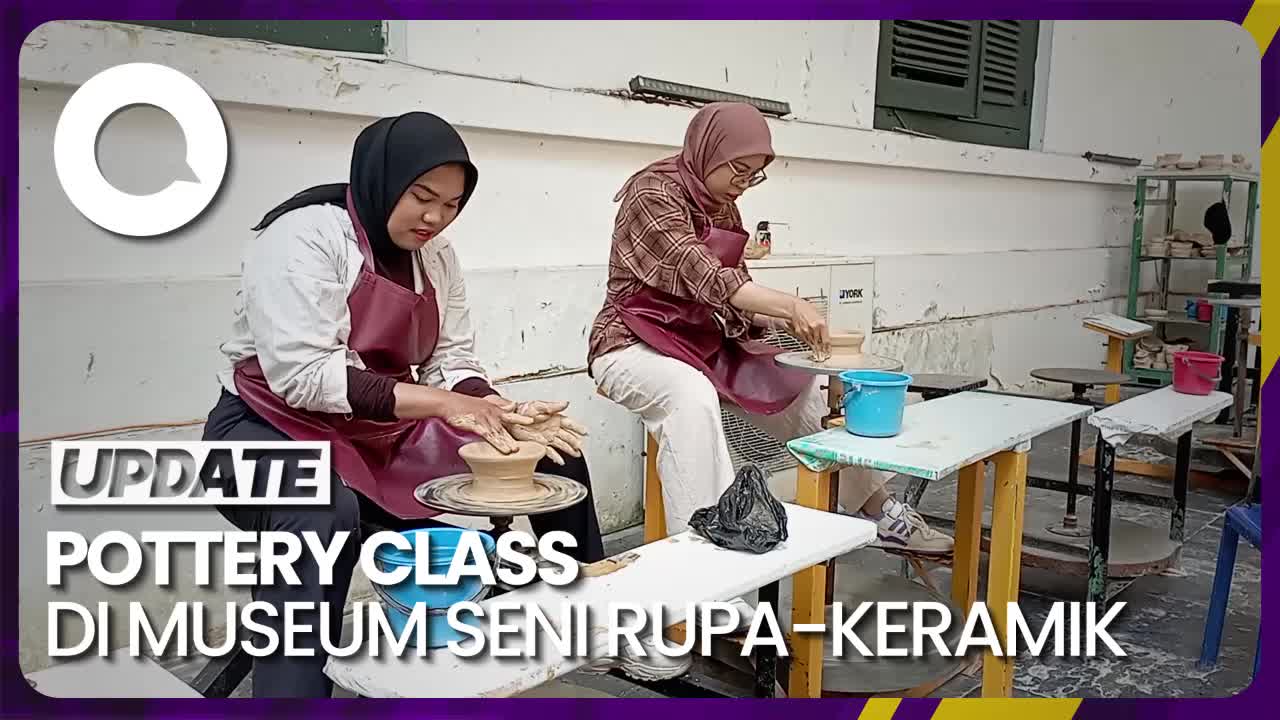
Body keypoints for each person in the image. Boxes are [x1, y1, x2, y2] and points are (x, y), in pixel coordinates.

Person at [202, 112, 607, 697]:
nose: (436, 218)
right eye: (422, 197)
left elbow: (452, 363)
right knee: (322, 514)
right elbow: (304, 378)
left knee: (552, 456)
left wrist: (498, 410)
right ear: (383, 179)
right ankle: (290, 693)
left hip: (378, 432)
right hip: (263, 428)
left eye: (452, 204)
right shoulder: (304, 237)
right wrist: (444, 405)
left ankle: (583, 614)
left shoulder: (436, 258)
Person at [587, 102, 954, 675]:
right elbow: (701, 273)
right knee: (689, 398)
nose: (744, 184)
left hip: (700, 342)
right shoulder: (651, 192)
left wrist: (782, 329)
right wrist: (787, 304)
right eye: (738, 169)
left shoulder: (724, 205)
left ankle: (881, 510)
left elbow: (731, 301)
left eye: (755, 173)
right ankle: (709, 573)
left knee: (806, 387)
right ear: (707, 150)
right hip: (629, 344)